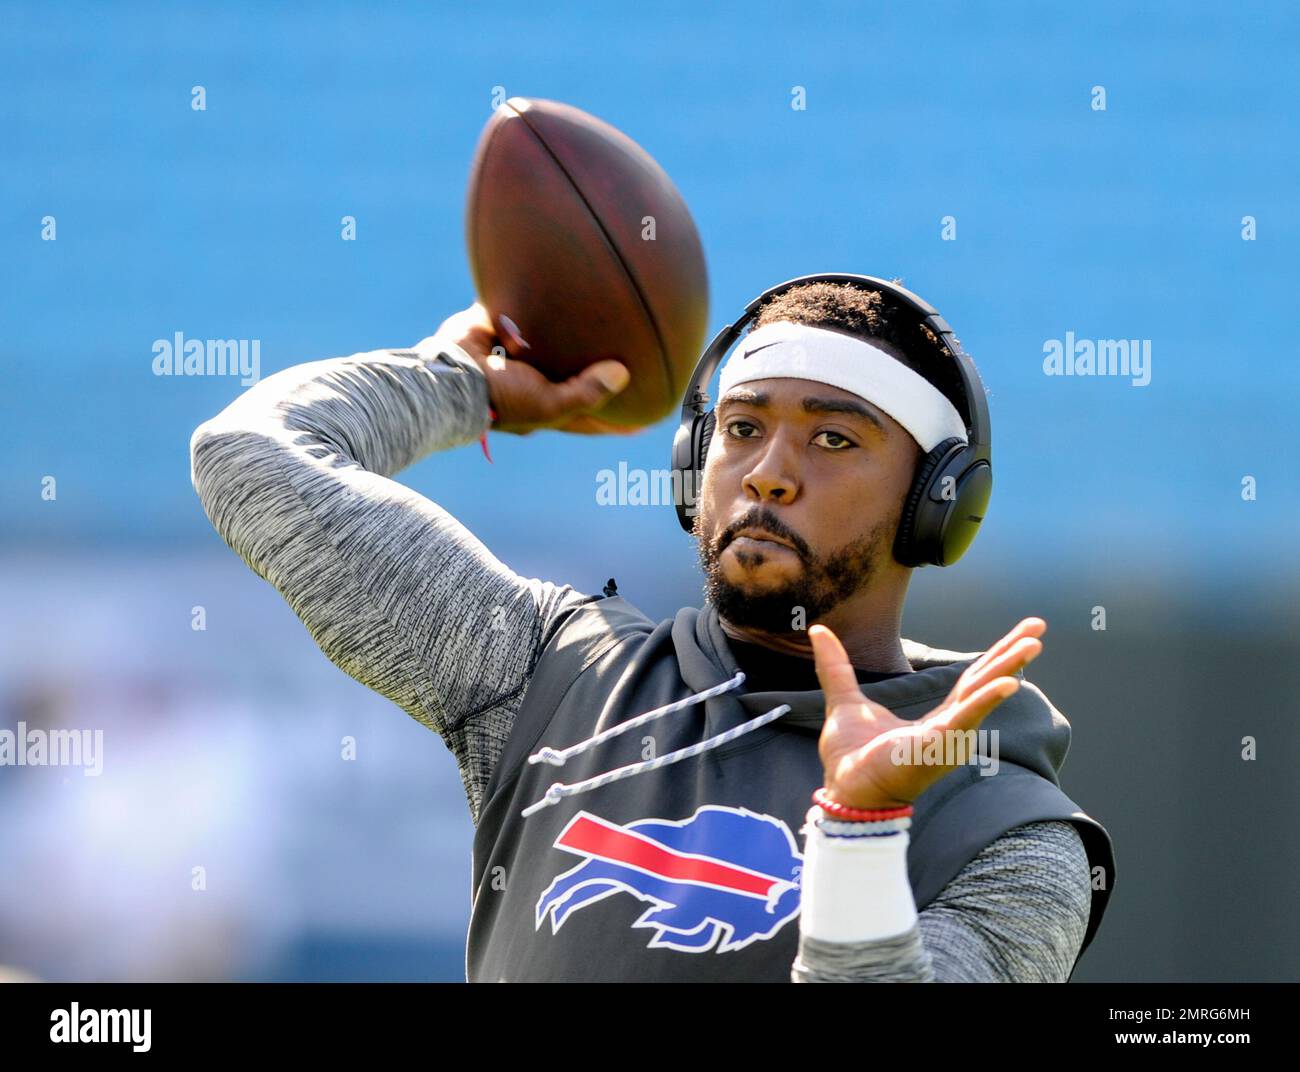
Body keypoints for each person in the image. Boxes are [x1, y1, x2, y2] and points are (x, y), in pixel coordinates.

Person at [190, 277, 1114, 982]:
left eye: (834, 439)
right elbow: (248, 457)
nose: (768, 474)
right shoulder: (548, 671)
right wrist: (465, 387)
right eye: (742, 429)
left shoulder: (1007, 831)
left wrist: (863, 829)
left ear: (936, 502)